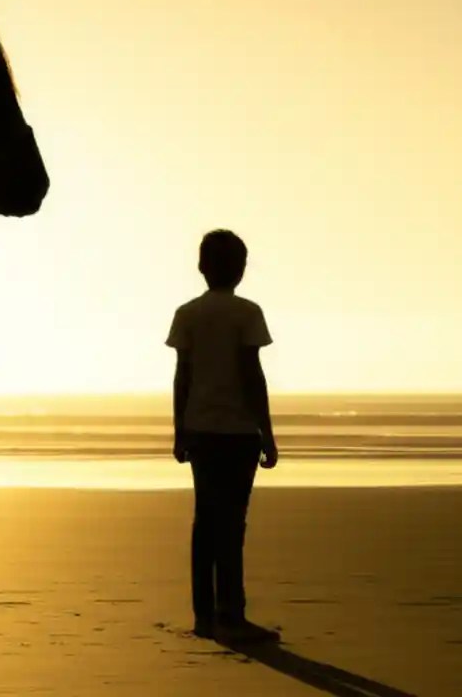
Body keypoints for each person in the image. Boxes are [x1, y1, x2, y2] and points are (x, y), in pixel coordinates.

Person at [165, 229, 280, 643]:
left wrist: (179, 430)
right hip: (238, 431)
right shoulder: (247, 312)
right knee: (232, 523)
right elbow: (252, 375)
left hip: (201, 428)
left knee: (205, 522)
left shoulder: (187, 313)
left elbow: (182, 377)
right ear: (241, 269)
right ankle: (231, 612)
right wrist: (267, 431)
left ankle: (205, 614)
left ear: (202, 266)